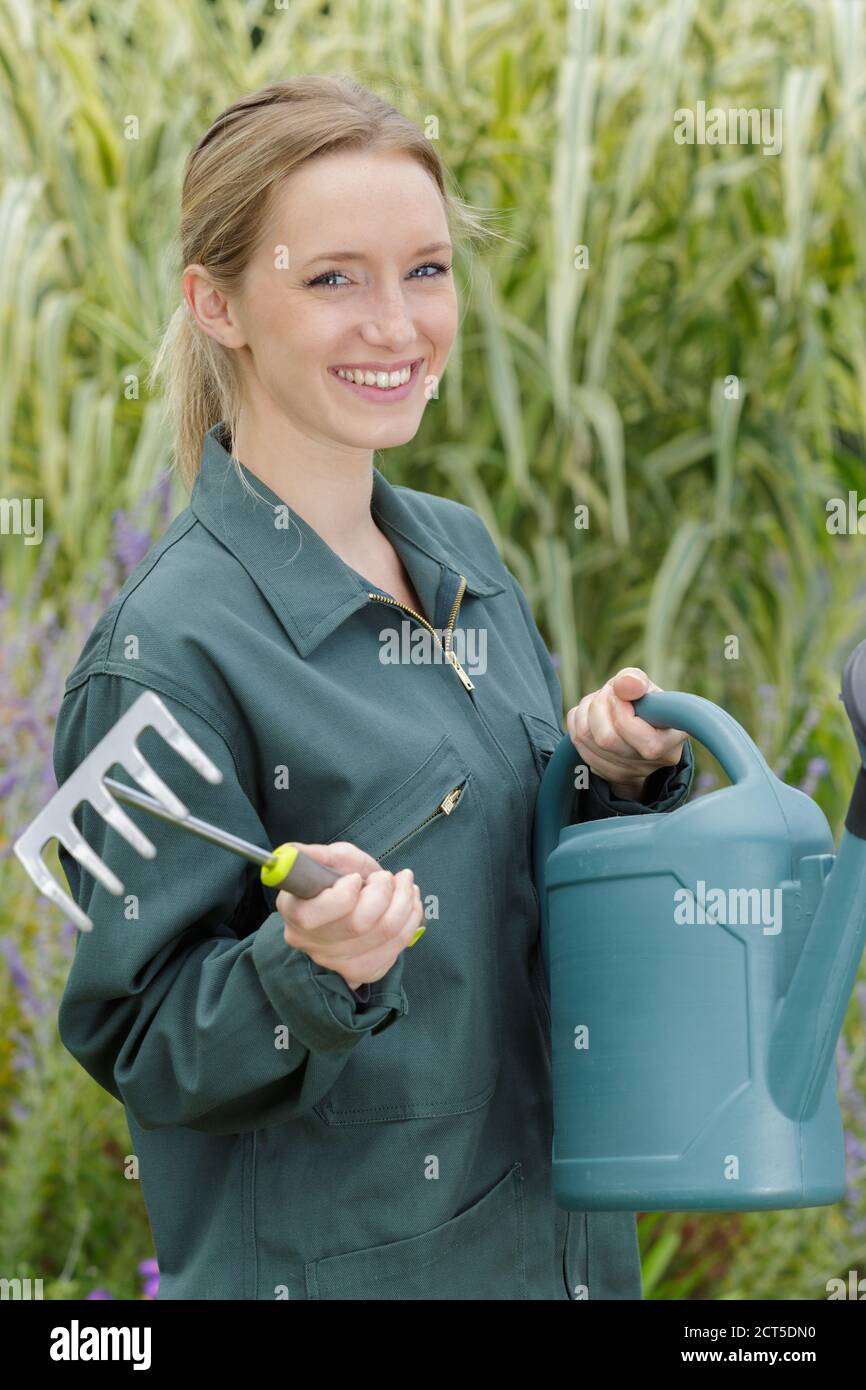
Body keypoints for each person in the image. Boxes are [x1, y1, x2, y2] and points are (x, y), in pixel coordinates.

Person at [54, 74, 694, 1300]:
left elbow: (519, 901)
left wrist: (614, 789)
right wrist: (308, 969)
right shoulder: (163, 657)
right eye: (332, 277)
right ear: (218, 303)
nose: (397, 326)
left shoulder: (465, 559)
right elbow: (140, 1042)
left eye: (427, 270)